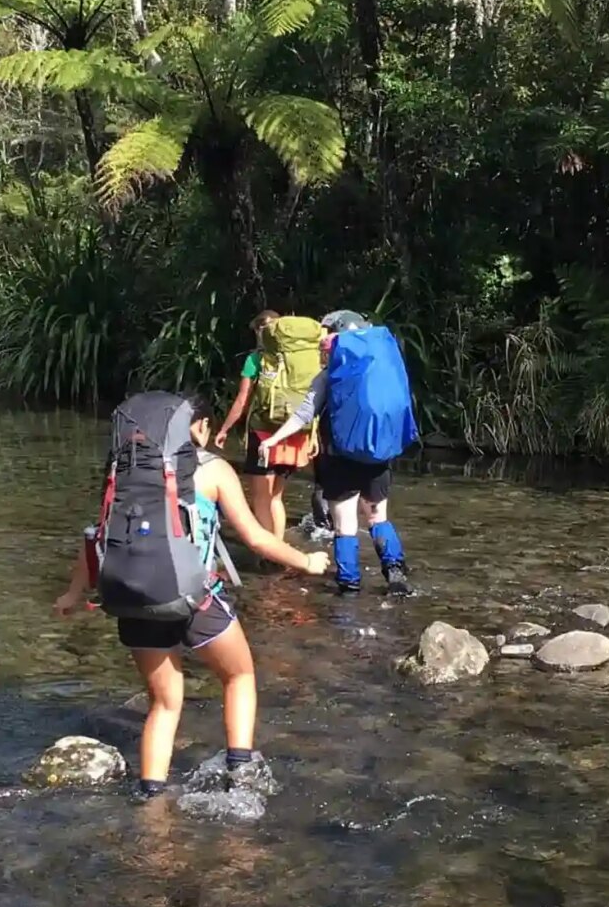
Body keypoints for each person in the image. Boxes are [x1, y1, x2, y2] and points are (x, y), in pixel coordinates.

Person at [54, 390, 329, 794]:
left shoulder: (124, 470)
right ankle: (241, 774)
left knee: (164, 704)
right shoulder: (213, 470)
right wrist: (306, 561)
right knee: (239, 675)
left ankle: (152, 801)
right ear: (197, 427)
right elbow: (254, 538)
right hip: (194, 599)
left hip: (133, 599)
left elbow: (98, 536)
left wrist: (74, 594)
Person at [258, 310, 415, 596]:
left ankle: (349, 584)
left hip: (339, 459)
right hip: (376, 456)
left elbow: (304, 414)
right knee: (378, 518)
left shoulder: (328, 376)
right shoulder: (381, 368)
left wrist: (273, 440)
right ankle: (395, 574)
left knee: (345, 526)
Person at [215, 310, 323, 541]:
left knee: (261, 498)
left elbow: (243, 400)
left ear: (260, 332)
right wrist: (313, 434)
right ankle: (279, 545)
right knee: (276, 497)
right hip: (295, 435)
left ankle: (269, 551)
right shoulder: (304, 357)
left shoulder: (256, 360)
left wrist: (223, 430)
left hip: (263, 434)